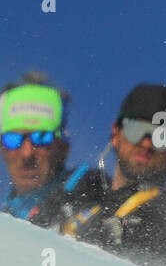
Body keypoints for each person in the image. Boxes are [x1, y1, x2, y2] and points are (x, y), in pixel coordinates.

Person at [57, 83, 166, 266]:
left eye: (162, 137)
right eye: (137, 129)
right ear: (116, 133)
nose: (146, 143)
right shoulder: (78, 195)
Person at [0, 73, 104, 227]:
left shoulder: (94, 193)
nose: (27, 153)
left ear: (63, 146)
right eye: (12, 139)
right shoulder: (7, 213)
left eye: (42, 138)